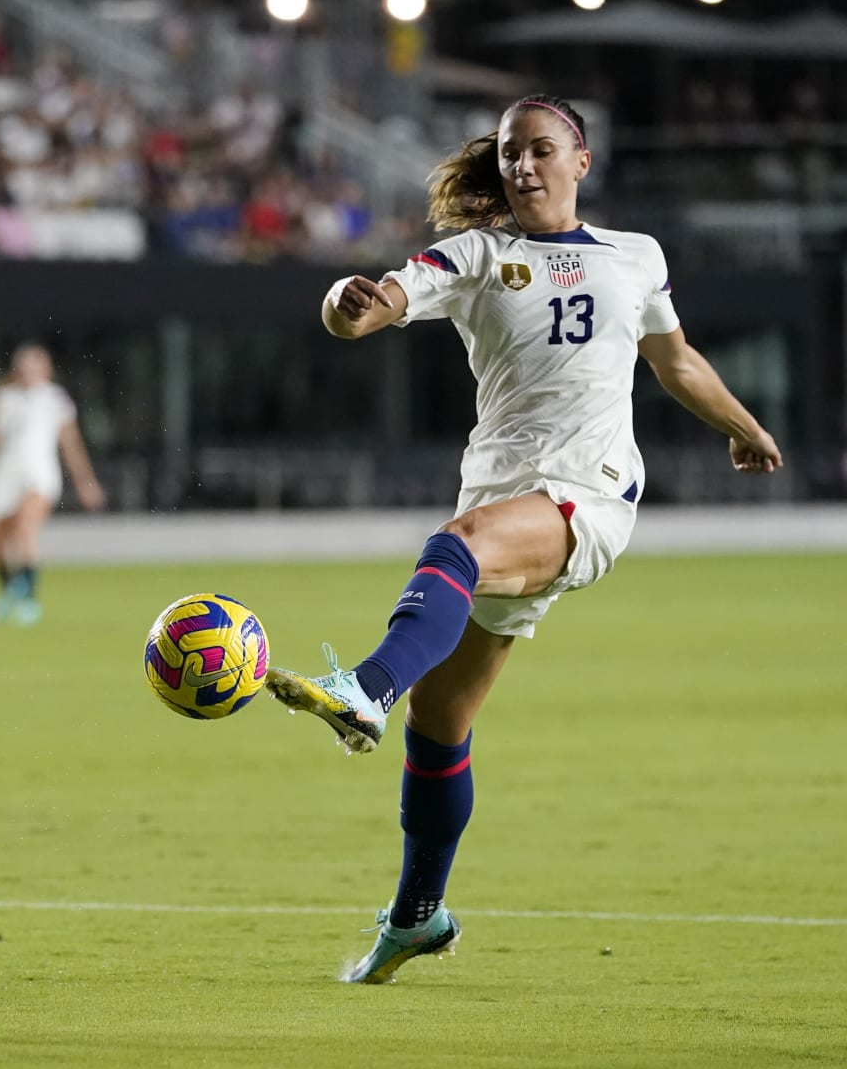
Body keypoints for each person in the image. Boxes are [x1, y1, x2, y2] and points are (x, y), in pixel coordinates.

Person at [264, 95, 784, 985]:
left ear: (582, 159)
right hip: (508, 500)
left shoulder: (635, 257)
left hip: (587, 497)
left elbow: (675, 360)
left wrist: (741, 424)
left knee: (453, 547)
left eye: (542, 149)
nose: (523, 166)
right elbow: (375, 306)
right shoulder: (478, 255)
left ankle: (364, 687)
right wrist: (345, 304)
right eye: (510, 154)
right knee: (442, 725)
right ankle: (416, 917)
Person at [0, 342, 104, 625]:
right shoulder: (4, 398)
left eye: (36, 365)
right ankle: (11, 591)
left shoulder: (55, 400)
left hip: (39, 474)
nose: (29, 371)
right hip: (5, 474)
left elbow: (70, 443)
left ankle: (28, 599)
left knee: (25, 530)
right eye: (24, 366)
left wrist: (85, 482)